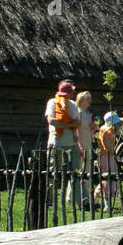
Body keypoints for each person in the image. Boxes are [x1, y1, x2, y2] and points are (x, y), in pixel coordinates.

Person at [45, 80, 82, 210]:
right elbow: (52, 120)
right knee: (53, 173)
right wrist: (68, 125)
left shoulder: (73, 104)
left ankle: (78, 201)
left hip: (72, 144)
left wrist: (72, 125)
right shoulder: (52, 102)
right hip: (57, 143)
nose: (73, 93)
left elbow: (78, 121)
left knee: (75, 173)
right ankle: (49, 201)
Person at [93, 111, 123, 211]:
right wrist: (114, 153)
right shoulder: (108, 131)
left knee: (105, 179)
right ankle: (107, 205)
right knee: (108, 180)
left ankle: (95, 197)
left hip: (105, 156)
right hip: (106, 157)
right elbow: (107, 146)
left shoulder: (103, 128)